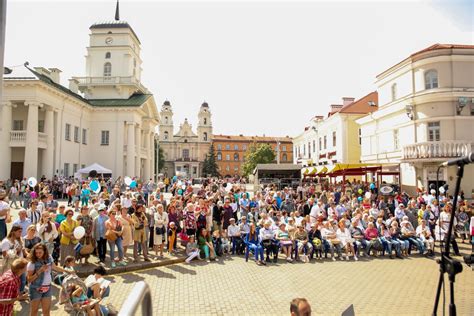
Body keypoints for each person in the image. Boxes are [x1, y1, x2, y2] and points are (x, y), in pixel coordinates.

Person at [27, 243, 72, 316]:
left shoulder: (49, 258)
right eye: (36, 253)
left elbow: (55, 267)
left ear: (45, 251)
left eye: (40, 252)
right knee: (34, 312)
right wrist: (40, 271)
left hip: (47, 288)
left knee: (47, 311)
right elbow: (29, 280)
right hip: (36, 289)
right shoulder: (32, 263)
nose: (38, 254)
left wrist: (68, 271)